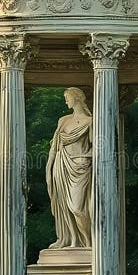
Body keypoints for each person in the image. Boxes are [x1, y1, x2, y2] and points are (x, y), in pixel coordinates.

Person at [46, 87, 92, 248]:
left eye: (68, 97)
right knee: (64, 206)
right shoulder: (63, 120)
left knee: (77, 208)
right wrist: (49, 166)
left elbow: (97, 148)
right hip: (61, 165)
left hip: (79, 167)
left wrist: (85, 157)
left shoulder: (90, 121)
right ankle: (73, 240)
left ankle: (88, 242)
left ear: (77, 97)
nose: (66, 101)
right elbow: (55, 146)